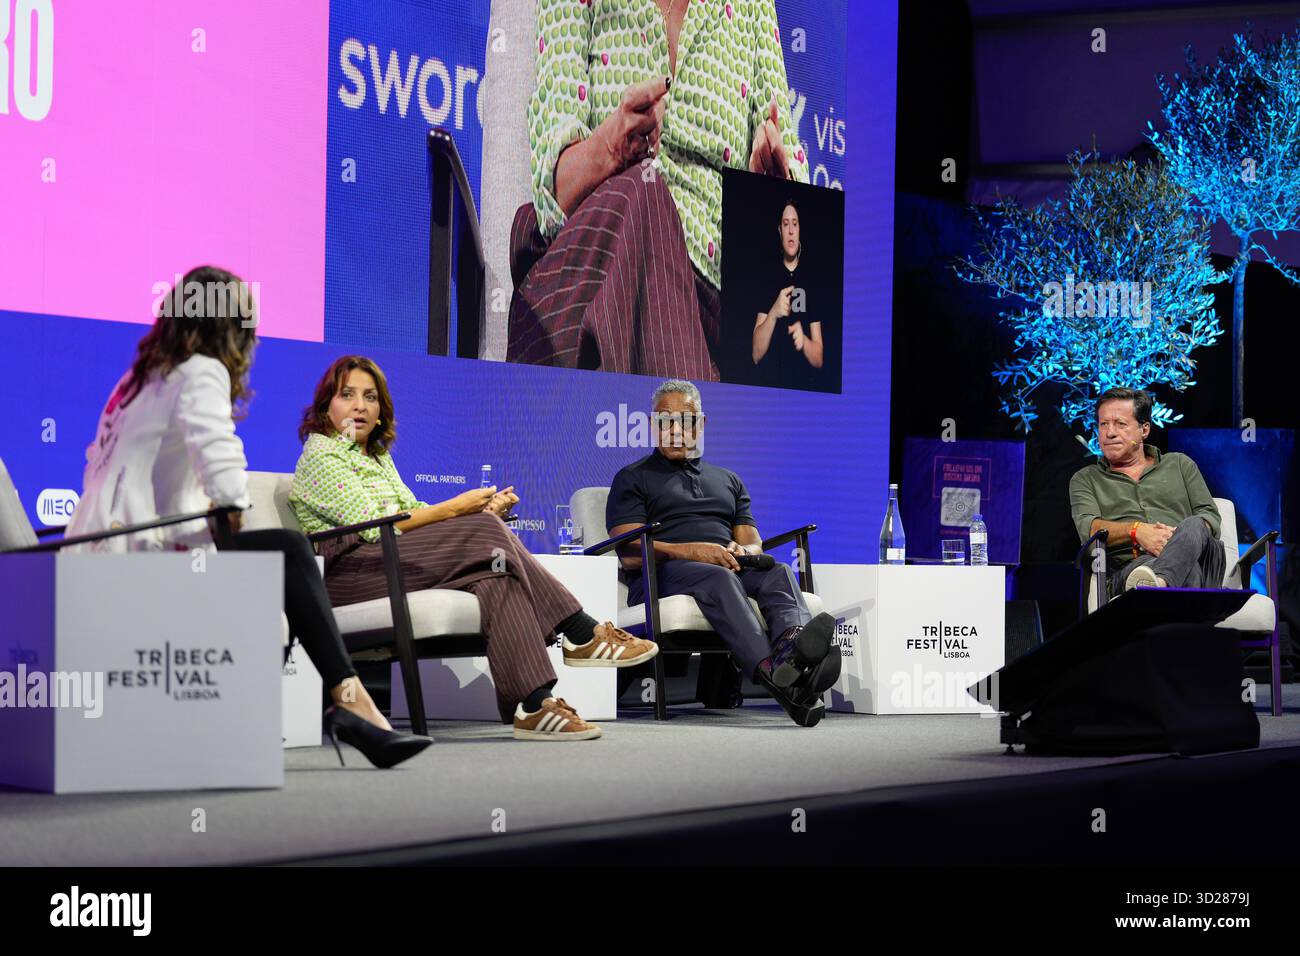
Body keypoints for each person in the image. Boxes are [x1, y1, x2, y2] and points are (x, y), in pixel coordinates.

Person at [65, 266, 430, 769]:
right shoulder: (201, 370)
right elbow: (222, 469)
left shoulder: (139, 380)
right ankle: (340, 705)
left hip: (96, 549)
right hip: (135, 553)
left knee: (279, 562)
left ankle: (325, 708)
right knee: (289, 552)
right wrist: (226, 512)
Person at [288, 355, 659, 741]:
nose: (359, 406)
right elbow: (375, 525)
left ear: (381, 410)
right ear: (326, 405)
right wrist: (459, 510)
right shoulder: (321, 454)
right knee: (482, 529)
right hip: (350, 573)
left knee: (497, 575)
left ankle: (535, 705)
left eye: (370, 397)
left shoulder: (377, 458)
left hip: (389, 560)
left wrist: (478, 512)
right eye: (347, 395)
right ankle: (581, 632)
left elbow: (412, 512)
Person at [507, 0, 809, 379]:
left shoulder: (749, 6)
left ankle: (683, 417)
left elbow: (788, 157)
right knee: (646, 192)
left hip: (712, 307)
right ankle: (688, 428)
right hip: (597, 279)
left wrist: (773, 182)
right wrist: (610, 148)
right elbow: (554, 196)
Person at [605, 379, 840, 726]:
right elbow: (627, 550)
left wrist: (742, 549)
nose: (674, 429)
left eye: (684, 421)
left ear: (700, 424)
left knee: (777, 571)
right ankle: (781, 677)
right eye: (664, 420)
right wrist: (694, 551)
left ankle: (792, 652)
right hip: (663, 575)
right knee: (715, 576)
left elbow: (752, 540)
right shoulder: (632, 478)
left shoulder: (728, 479)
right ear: (652, 425)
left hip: (725, 565)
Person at [1070, 387, 1225, 598]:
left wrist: (1178, 543)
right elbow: (1088, 529)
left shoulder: (1180, 464)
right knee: (1183, 570)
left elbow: (1210, 517)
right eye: (1103, 424)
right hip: (1131, 568)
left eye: (1121, 424)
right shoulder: (1085, 479)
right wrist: (1137, 531)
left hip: (1199, 560)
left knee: (1194, 524)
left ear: (1144, 430)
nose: (1109, 432)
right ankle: (1163, 581)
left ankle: (1158, 582)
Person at [751, 198, 824, 389]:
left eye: (795, 224)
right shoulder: (767, 277)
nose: (790, 230)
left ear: (799, 230)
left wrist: (804, 342)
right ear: (779, 231)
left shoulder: (812, 280)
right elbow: (755, 354)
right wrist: (774, 313)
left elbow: (819, 358)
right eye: (785, 224)